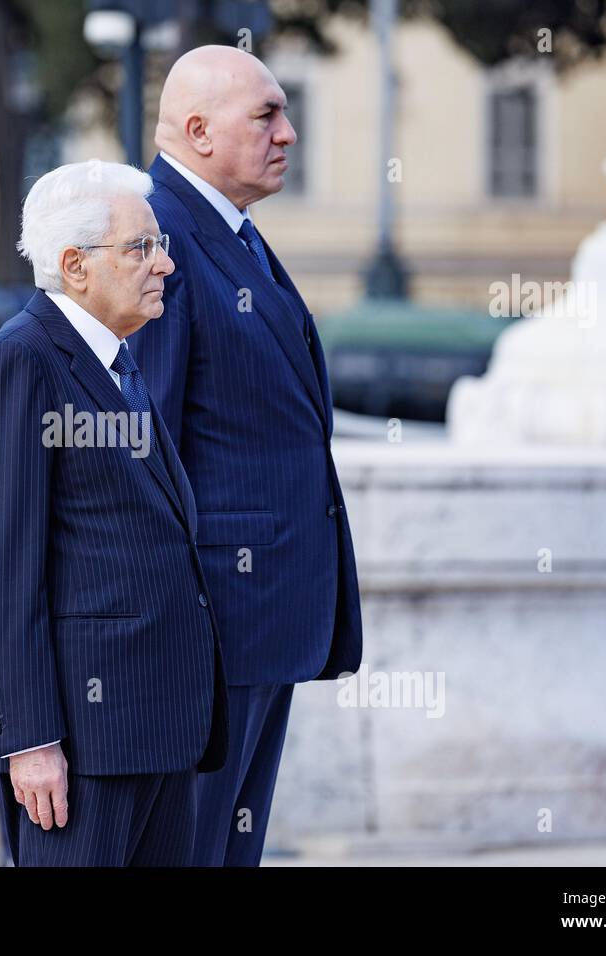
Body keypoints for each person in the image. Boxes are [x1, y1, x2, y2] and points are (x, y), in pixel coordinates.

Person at [0, 160, 228, 867]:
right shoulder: (21, 362)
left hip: (159, 731)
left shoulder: (116, 360)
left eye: (161, 244)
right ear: (75, 266)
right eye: (141, 247)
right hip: (83, 747)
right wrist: (30, 740)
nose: (165, 263)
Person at [129, 45, 364, 866]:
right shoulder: (156, 237)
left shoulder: (228, 233)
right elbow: (144, 454)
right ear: (199, 132)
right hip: (210, 628)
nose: (288, 133)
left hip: (258, 619)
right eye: (267, 114)